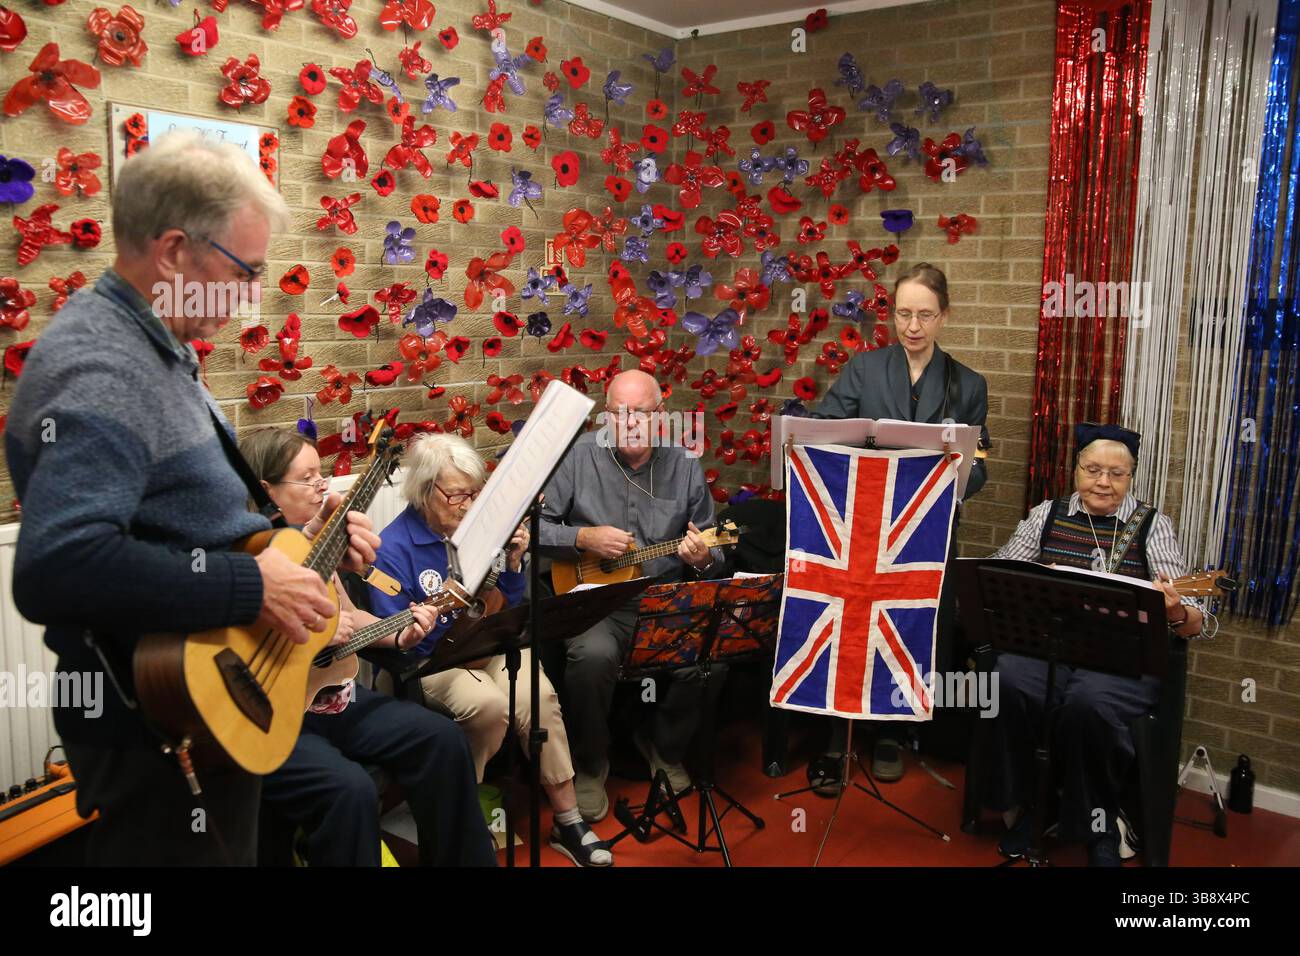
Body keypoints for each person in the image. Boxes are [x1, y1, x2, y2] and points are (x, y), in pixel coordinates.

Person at [4, 131, 380, 865]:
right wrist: (249, 583)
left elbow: (191, 521)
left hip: (207, 698)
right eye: (245, 271)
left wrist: (302, 534)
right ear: (175, 252)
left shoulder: (161, 348)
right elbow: (57, 567)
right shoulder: (99, 365)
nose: (248, 298)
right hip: (151, 720)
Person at [241, 427, 496, 866]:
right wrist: (318, 628)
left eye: (321, 472)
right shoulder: (244, 555)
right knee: (351, 789)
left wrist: (399, 633)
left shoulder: (308, 541)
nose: (322, 485)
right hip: (276, 713)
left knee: (441, 738)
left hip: (329, 699)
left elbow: (349, 617)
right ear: (267, 491)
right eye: (308, 477)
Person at [370, 433, 612, 866]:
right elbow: (391, 637)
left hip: (486, 643)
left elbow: (507, 604)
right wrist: (436, 618)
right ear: (426, 493)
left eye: (473, 493)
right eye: (457, 495)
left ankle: (568, 819)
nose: (468, 505)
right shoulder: (391, 548)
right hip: (430, 660)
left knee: (537, 696)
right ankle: (459, 818)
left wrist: (515, 565)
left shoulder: (477, 529)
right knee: (487, 706)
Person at [979, 422, 1204, 866]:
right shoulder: (1048, 513)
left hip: (1123, 661)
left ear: (1132, 476)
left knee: (1088, 704)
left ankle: (1096, 822)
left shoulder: (1152, 525)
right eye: (1093, 469)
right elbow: (999, 570)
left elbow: (1195, 619)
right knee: (1005, 680)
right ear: (1076, 470)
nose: (1103, 482)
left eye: (1117, 474)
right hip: (1052, 648)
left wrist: (1176, 609)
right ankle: (1031, 803)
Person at [810, 262, 991, 783]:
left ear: (945, 316)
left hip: (924, 531)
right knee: (848, 625)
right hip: (858, 526)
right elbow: (825, 429)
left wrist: (953, 484)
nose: (913, 326)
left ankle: (889, 730)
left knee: (906, 628)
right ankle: (834, 735)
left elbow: (978, 464)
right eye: (904, 314)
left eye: (926, 315)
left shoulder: (969, 383)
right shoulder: (864, 369)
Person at [539, 369, 725, 823]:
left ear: (661, 414)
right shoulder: (578, 457)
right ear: (606, 417)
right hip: (596, 600)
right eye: (618, 414)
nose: (630, 424)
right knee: (592, 657)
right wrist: (583, 537)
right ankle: (590, 763)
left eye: (640, 413)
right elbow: (533, 529)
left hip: (662, 598)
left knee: (712, 658)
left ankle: (664, 748)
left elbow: (716, 554)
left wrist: (701, 559)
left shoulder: (684, 465)